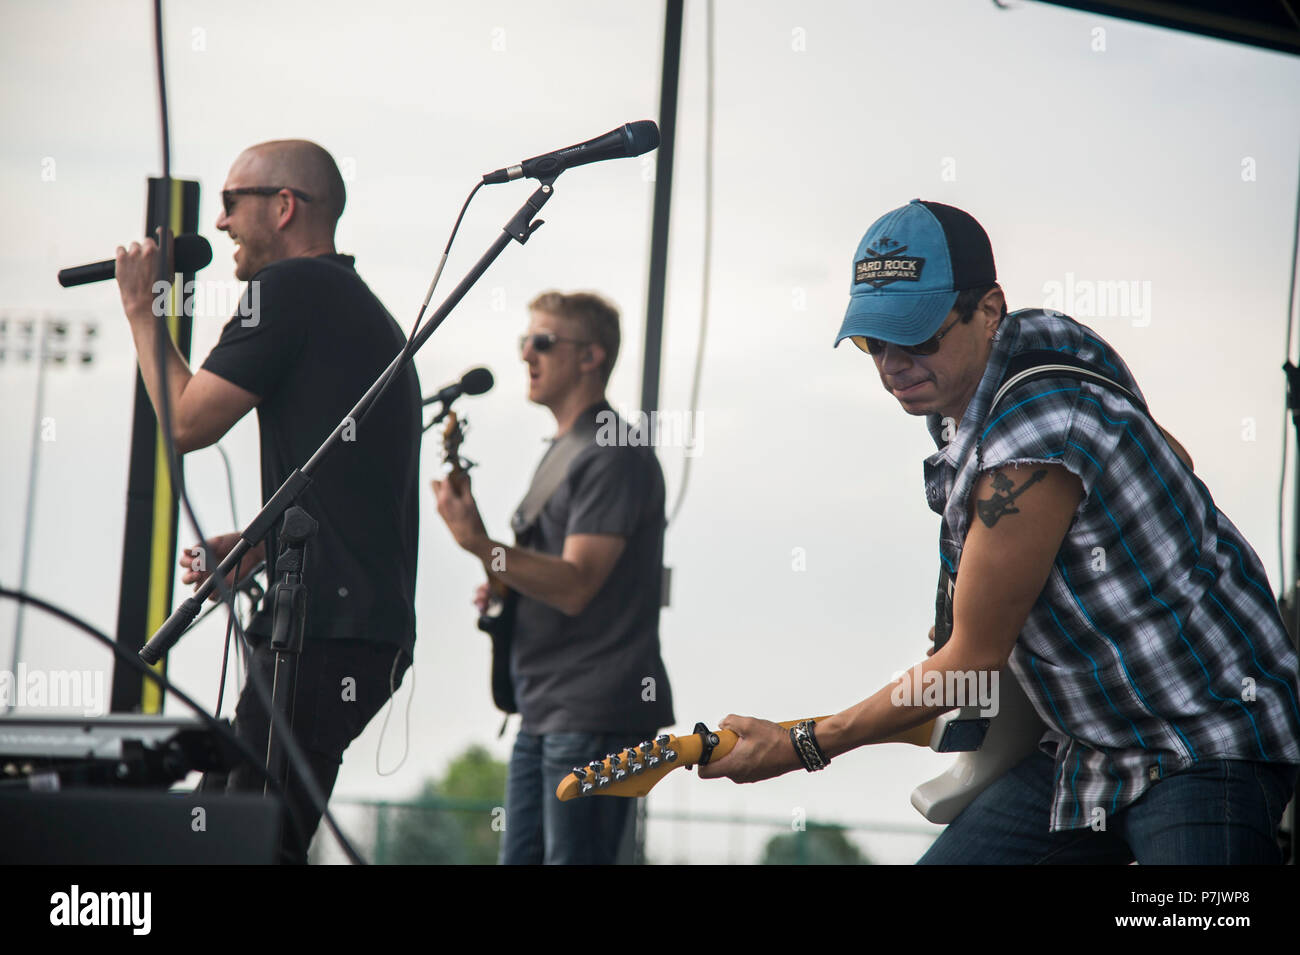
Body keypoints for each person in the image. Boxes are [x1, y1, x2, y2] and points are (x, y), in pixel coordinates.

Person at [698, 198, 1300, 864]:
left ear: (987, 307)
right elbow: (1174, 457)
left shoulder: (1031, 440)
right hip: (1088, 749)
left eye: (918, 334)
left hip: (1205, 740)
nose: (893, 362)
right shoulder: (1042, 344)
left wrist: (802, 742)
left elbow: (968, 663)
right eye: (875, 339)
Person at [114, 139, 421, 863]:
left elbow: (188, 422)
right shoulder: (353, 309)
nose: (219, 223)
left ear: (284, 208)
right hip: (342, 632)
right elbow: (347, 487)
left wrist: (139, 309)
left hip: (322, 636)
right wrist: (259, 545)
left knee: (240, 848)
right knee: (219, 833)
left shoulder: (293, 292)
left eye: (231, 202)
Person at [432, 290, 674, 864]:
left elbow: (575, 583)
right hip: (546, 708)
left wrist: (480, 546)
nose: (526, 356)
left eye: (542, 342)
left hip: (591, 713)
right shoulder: (567, 447)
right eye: (525, 342)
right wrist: (505, 578)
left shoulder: (612, 450)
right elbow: (552, 574)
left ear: (591, 356)